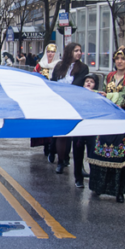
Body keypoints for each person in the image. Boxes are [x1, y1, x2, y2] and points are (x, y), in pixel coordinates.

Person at [90, 47, 125, 200]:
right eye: (117, 59)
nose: (119, 61)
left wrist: (107, 96)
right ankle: (99, 186)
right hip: (108, 118)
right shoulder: (109, 76)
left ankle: (119, 191)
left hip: (123, 118)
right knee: (101, 151)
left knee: (121, 155)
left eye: (123, 59)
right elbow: (105, 94)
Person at [49, 43, 90, 173]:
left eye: (80, 51)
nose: (79, 53)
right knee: (61, 135)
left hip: (75, 104)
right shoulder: (59, 66)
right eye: (76, 50)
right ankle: (61, 161)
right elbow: (53, 81)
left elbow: (77, 84)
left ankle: (79, 166)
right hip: (60, 104)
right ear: (69, 52)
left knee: (77, 137)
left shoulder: (83, 68)